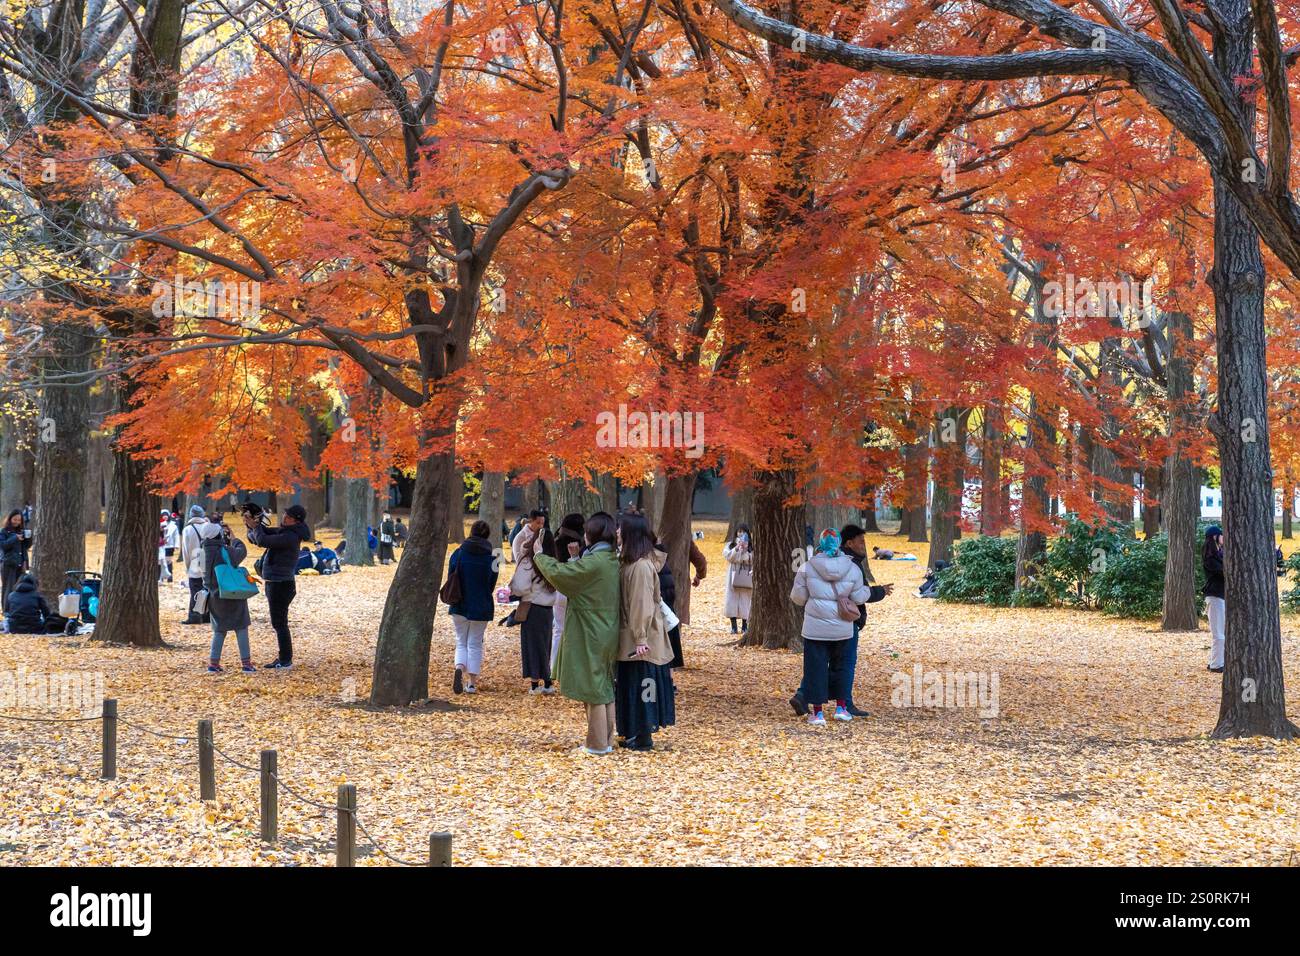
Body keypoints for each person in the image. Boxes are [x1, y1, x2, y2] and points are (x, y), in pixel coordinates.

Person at [535, 513, 621, 755]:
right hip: (606, 628)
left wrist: (539, 556)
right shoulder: (610, 559)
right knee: (603, 686)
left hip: (591, 630)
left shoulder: (595, 562)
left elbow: (564, 576)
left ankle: (596, 744)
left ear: (591, 535)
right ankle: (605, 740)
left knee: (593, 687)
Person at [790, 524, 891, 717]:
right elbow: (860, 596)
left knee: (816, 666)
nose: (864, 544)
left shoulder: (807, 567)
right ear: (841, 543)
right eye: (861, 541)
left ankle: (817, 713)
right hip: (843, 627)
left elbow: (798, 597)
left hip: (815, 628)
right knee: (843, 666)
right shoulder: (851, 567)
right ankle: (842, 707)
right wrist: (877, 591)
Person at [615, 512, 676, 751]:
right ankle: (636, 732)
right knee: (636, 684)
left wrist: (640, 638)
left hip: (641, 641)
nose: (617, 532)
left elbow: (642, 605)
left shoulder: (639, 567)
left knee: (641, 685)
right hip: (637, 637)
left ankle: (642, 734)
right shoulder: (631, 563)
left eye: (621, 528)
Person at [245, 504, 312, 670]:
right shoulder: (285, 532)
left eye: (288, 516)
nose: (284, 518)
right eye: (284, 514)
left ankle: (286, 660)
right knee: (279, 623)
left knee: (280, 624)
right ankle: (284, 658)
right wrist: (251, 523)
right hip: (277, 583)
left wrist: (256, 525)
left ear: (296, 521)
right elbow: (257, 537)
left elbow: (263, 539)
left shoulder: (290, 536)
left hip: (281, 585)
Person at [447, 520, 499, 694]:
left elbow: (451, 576)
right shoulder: (493, 559)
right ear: (487, 535)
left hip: (459, 603)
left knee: (461, 641)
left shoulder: (458, 553)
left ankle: (459, 669)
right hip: (481, 606)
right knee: (475, 643)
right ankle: (471, 683)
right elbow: (491, 584)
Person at [509, 509, 558, 694]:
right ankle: (548, 682)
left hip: (532, 607)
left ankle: (535, 684)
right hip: (548, 609)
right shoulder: (553, 563)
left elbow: (520, 586)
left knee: (532, 646)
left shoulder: (530, 562)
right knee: (545, 644)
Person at [200, 520, 255, 674]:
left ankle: (213, 663)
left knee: (219, 630)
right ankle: (246, 664)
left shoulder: (202, 552)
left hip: (214, 597)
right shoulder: (225, 551)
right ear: (218, 535)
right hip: (232, 594)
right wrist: (234, 538)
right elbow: (242, 551)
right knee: (241, 628)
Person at [550, 513, 586, 671]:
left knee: (558, 630)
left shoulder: (555, 541)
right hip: (574, 591)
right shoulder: (581, 546)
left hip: (558, 590)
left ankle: (554, 666)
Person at [179, 505, 211, 625]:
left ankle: (195, 616)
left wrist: (187, 566)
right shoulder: (208, 527)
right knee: (206, 588)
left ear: (191, 515)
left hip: (194, 561)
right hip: (208, 562)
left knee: (195, 590)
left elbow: (185, 551)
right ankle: (206, 615)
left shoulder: (188, 529)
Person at [723, 524, 753, 634]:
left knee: (746, 600)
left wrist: (745, 551)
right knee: (732, 600)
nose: (740, 533)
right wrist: (737, 549)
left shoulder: (751, 546)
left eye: (743, 531)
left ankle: (745, 626)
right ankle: (733, 626)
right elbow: (728, 557)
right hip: (733, 574)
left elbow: (752, 558)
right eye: (739, 531)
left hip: (746, 575)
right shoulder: (730, 545)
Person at [1204, 525, 1225, 673]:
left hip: (1219, 596)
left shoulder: (1218, 554)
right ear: (1214, 537)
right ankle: (1216, 665)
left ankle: (1215, 660)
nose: (1223, 537)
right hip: (1215, 597)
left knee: (1220, 631)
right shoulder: (1210, 558)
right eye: (1221, 535)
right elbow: (1223, 572)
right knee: (1218, 633)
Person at [1, 509, 31, 613]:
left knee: (20, 588)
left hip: (21, 564)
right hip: (9, 564)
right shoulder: (4, 531)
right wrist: (15, 538)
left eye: (19, 520)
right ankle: (7, 611)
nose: (17, 522)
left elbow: (26, 547)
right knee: (8, 588)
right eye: (15, 519)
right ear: (10, 519)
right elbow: (3, 546)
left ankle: (17, 610)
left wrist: (28, 538)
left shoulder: (21, 531)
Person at [159, 510, 179, 583]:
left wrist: (176, 545)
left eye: (166, 515)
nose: (165, 516)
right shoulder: (159, 524)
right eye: (163, 515)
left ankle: (170, 577)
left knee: (168, 562)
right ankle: (160, 578)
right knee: (160, 562)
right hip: (160, 546)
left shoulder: (173, 526)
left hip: (170, 546)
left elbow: (176, 536)